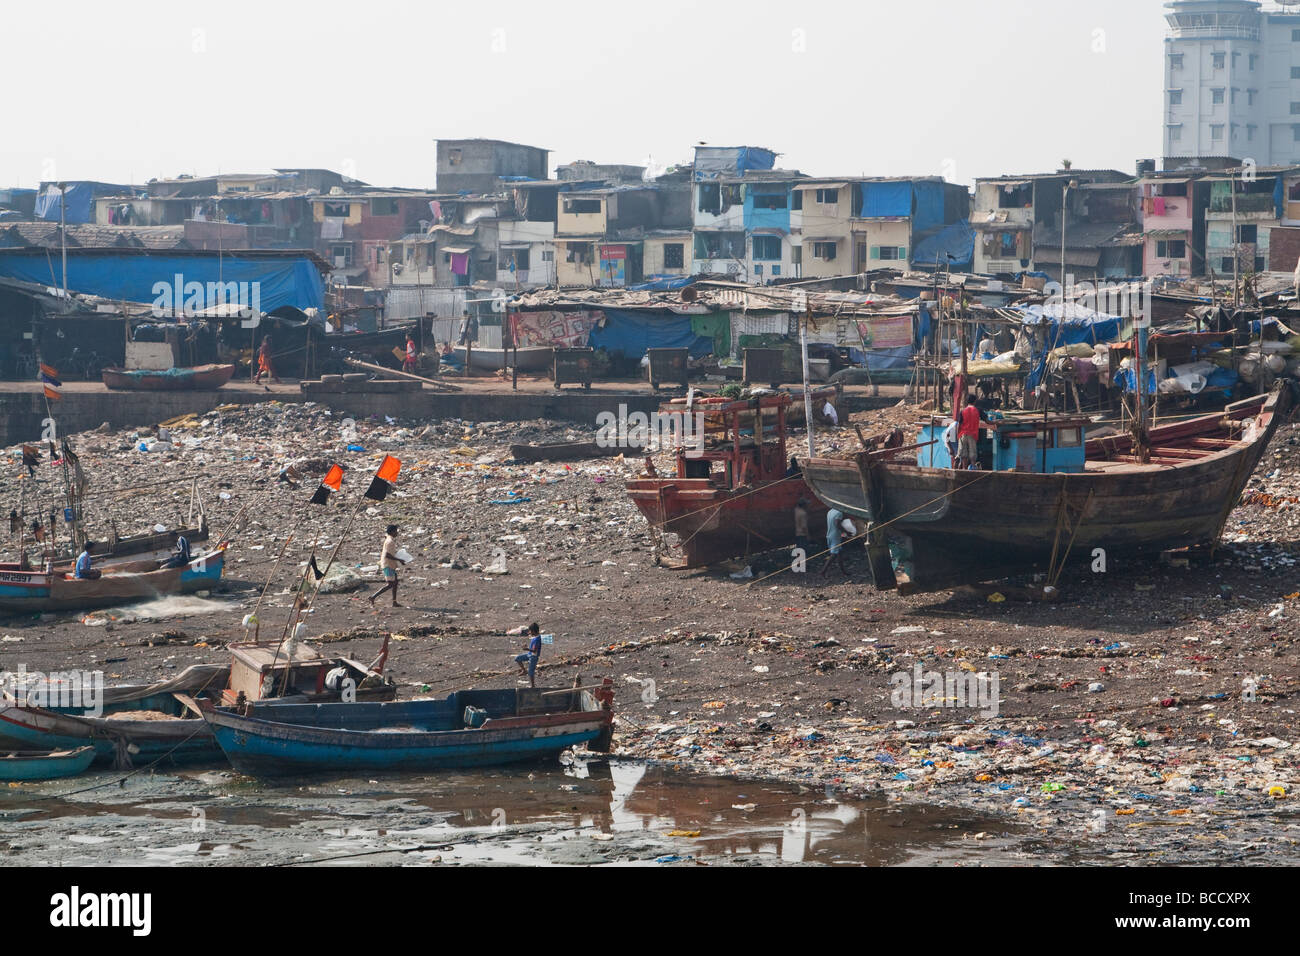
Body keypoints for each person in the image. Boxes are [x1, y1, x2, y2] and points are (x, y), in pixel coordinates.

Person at [369, 524, 407, 608]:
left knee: (395, 583)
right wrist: (399, 560)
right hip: (387, 565)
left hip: (390, 564)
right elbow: (387, 555)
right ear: (392, 532)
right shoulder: (390, 541)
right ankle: (373, 597)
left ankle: (394, 602)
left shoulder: (389, 539)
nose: (397, 533)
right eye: (396, 531)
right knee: (390, 584)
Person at [820, 508, 853, 578]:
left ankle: (843, 571)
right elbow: (838, 525)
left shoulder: (830, 511)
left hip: (829, 534)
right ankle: (823, 571)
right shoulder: (839, 513)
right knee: (834, 554)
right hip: (835, 536)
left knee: (839, 553)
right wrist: (847, 532)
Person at [956, 398, 987, 470]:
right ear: (975, 401)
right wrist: (996, 423)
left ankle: (964, 468)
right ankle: (973, 467)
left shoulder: (963, 411)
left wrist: (958, 435)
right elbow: (987, 421)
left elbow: (959, 425)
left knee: (963, 453)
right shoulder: (978, 410)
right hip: (972, 434)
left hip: (963, 434)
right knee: (973, 452)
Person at [514, 622, 543, 688]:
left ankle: (533, 686)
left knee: (531, 672)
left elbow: (535, 650)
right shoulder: (535, 637)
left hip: (534, 656)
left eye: (530, 631)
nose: (529, 632)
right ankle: (524, 670)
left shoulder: (537, 639)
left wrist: (527, 649)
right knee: (517, 658)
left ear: (533, 631)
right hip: (530, 654)